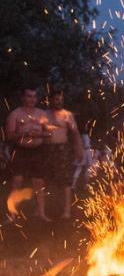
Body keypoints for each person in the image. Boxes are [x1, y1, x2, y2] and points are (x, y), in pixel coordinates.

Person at [4, 86, 52, 221]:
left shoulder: (42, 114)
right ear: (23, 97)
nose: (31, 99)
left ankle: (41, 212)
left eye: (34, 97)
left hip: (38, 150)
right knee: (17, 180)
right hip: (21, 151)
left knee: (39, 181)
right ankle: (12, 213)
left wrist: (39, 134)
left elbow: (50, 133)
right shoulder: (15, 114)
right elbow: (9, 135)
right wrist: (25, 133)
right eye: (29, 96)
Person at [44, 89, 85, 220]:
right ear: (50, 100)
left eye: (61, 99)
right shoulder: (44, 115)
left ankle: (66, 211)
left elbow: (75, 133)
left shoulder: (67, 115)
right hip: (47, 148)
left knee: (66, 180)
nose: (59, 102)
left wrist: (79, 149)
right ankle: (47, 208)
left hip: (62, 149)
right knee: (47, 178)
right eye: (56, 99)